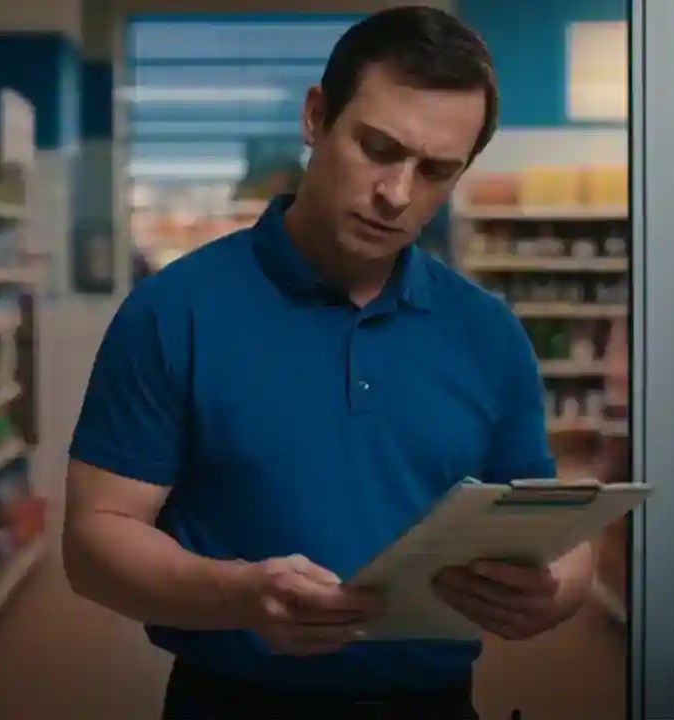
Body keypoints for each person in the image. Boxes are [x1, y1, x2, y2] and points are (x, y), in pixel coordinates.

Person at [62, 6, 597, 719]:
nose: (398, 194)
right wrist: (239, 595)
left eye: (436, 170)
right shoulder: (173, 311)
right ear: (317, 117)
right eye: (378, 148)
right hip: (231, 704)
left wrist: (557, 588)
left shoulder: (488, 333)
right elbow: (96, 541)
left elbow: (548, 521)